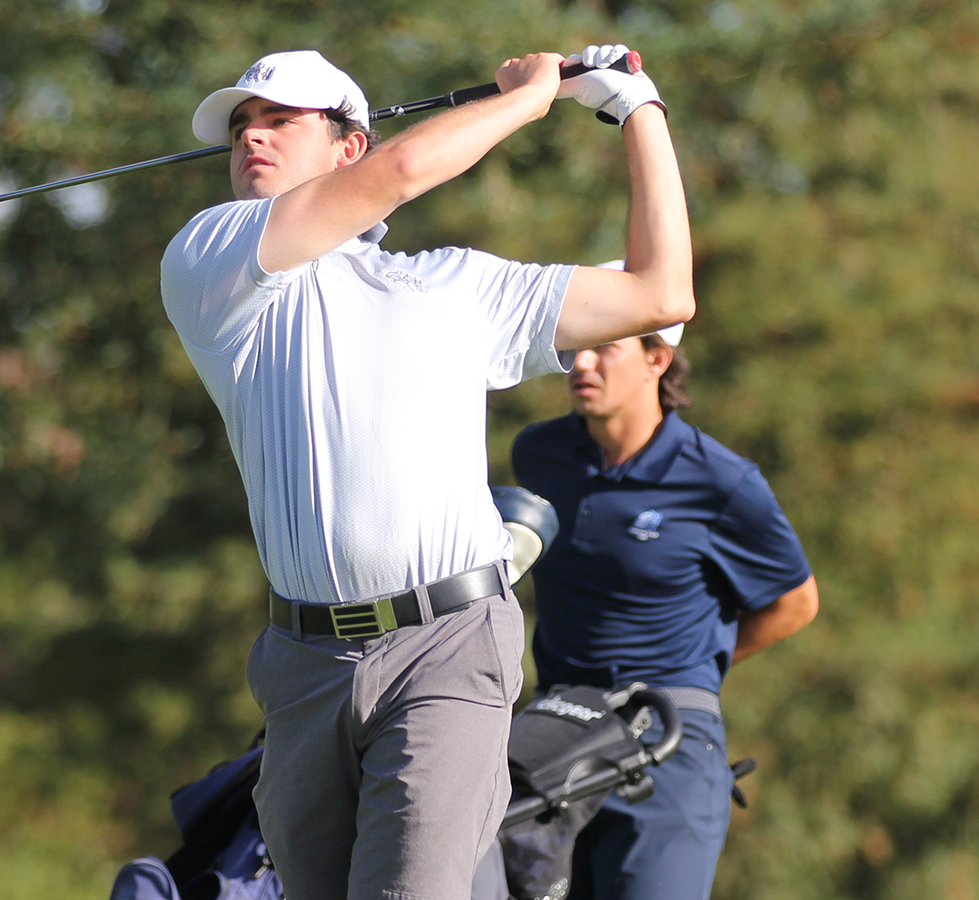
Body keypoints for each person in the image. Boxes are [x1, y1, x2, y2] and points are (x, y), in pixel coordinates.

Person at [160, 45, 695, 900]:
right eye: (241, 128)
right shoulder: (210, 258)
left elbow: (660, 293)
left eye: (279, 120)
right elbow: (405, 170)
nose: (251, 138)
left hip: (447, 647)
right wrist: (528, 100)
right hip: (304, 664)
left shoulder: (453, 287)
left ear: (347, 146)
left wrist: (637, 109)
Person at [510, 311, 820, 900]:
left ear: (658, 359)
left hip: (665, 743)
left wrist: (689, 666)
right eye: (576, 347)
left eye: (605, 348)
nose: (581, 363)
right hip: (554, 735)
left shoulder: (721, 481)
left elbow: (796, 602)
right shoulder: (539, 454)